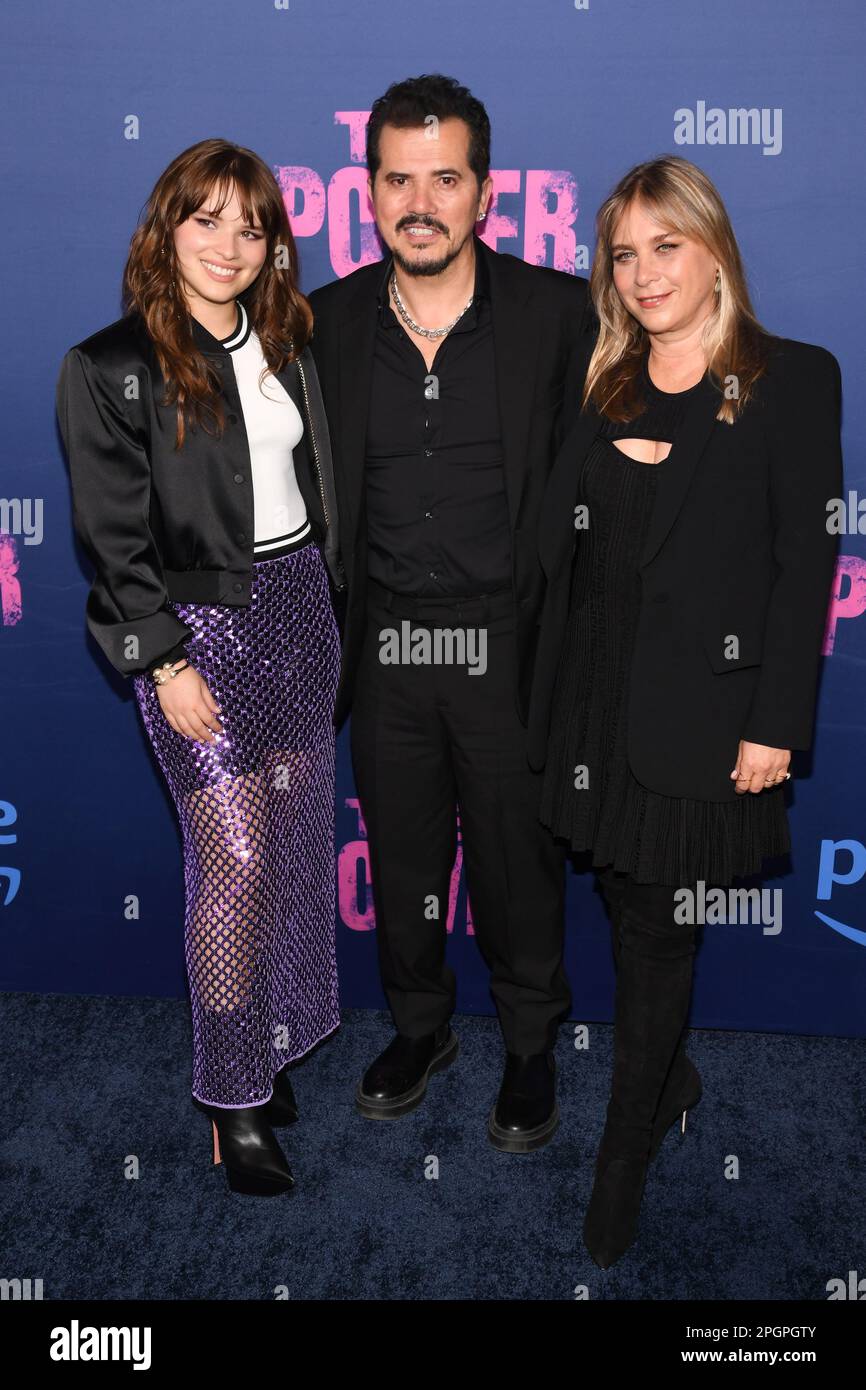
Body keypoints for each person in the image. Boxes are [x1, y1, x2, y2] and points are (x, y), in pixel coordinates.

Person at [528, 154, 843, 1265]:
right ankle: (670, 1075)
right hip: (593, 707)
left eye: (666, 245)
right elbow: (560, 538)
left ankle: (624, 1148)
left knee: (659, 939)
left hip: (706, 718)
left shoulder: (790, 378)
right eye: (623, 253)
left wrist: (775, 724)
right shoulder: (604, 382)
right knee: (623, 899)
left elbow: (804, 563)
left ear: (712, 248)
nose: (644, 272)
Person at [307, 74, 593, 1151]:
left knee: (518, 862)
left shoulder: (557, 315)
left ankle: (527, 1045)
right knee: (407, 855)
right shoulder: (324, 324)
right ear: (369, 190)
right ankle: (421, 1027)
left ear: (483, 193)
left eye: (443, 178)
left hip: (507, 643)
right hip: (383, 645)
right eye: (396, 179)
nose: (417, 201)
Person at [55, 138, 345, 1196]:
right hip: (197, 635)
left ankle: (270, 1041)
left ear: (272, 245)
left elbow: (318, 493)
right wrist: (163, 660)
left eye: (251, 223)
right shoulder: (107, 366)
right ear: (164, 228)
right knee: (231, 862)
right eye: (206, 217)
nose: (228, 242)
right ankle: (232, 1100)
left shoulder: (289, 346)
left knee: (293, 852)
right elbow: (111, 539)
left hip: (300, 615)